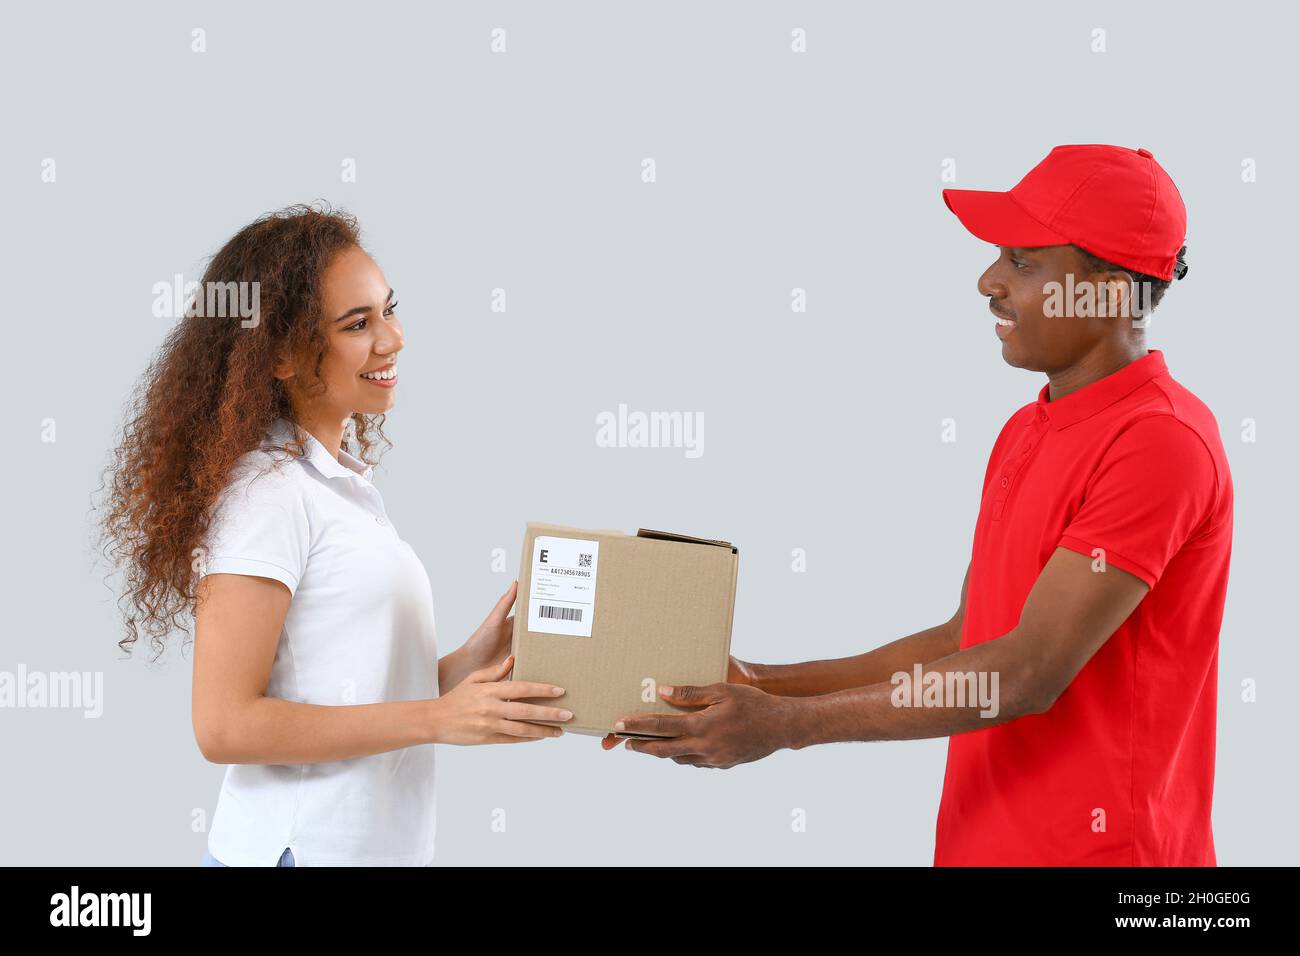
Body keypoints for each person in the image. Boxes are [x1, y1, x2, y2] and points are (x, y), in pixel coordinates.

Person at [604, 145, 1233, 867]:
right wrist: (762, 683)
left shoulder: (1161, 441)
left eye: (1024, 262)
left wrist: (788, 725)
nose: (988, 281)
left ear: (1111, 290)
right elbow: (967, 641)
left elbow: (1027, 671)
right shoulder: (1030, 428)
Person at [97, 204, 571, 866]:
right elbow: (224, 725)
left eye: (389, 310)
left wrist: (469, 665)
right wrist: (438, 720)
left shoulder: (333, 485)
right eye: (358, 324)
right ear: (283, 354)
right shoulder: (267, 496)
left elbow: (348, 693)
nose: (393, 338)